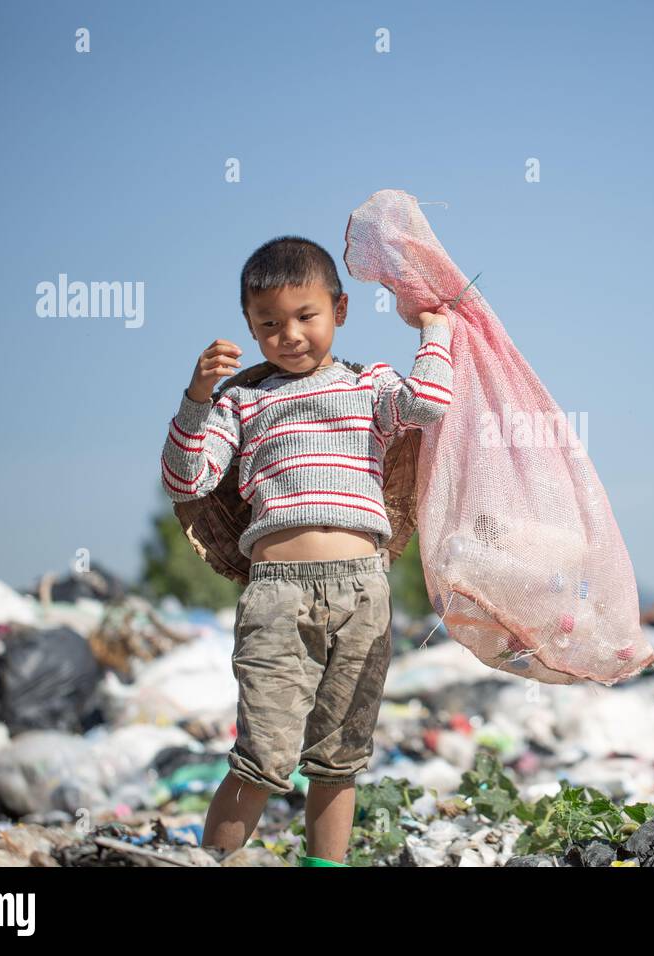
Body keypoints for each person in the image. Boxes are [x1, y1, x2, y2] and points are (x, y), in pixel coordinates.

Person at [159, 235, 453, 863]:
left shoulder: (370, 385)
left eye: (305, 317)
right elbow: (189, 479)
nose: (289, 335)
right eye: (269, 324)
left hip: (363, 590)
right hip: (276, 596)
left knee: (338, 760)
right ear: (250, 326)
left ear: (339, 311)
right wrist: (196, 398)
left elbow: (428, 404)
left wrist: (435, 332)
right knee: (263, 756)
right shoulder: (241, 400)